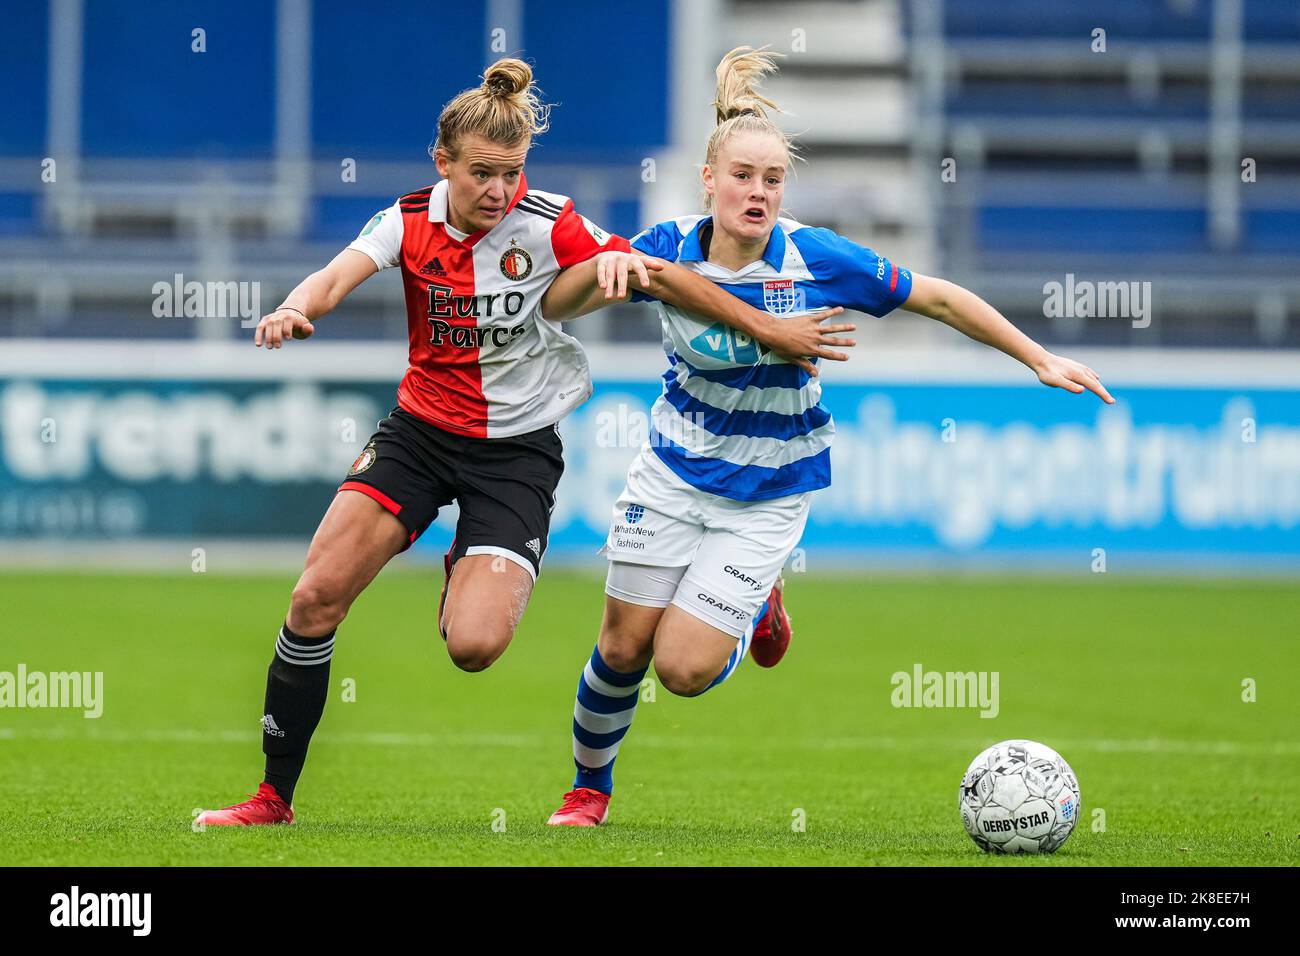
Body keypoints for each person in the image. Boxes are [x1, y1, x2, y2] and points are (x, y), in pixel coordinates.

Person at [196, 57, 853, 826]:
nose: (498, 191)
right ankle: (274, 797)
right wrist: (294, 308)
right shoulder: (406, 220)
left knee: (474, 647)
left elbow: (662, 276)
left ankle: (472, 565)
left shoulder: (550, 220)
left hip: (516, 455)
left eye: (511, 174)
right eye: (481, 173)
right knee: (314, 596)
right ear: (442, 164)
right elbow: (336, 275)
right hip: (418, 435)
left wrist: (763, 324)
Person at [540, 47, 1114, 827]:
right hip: (670, 474)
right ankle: (588, 790)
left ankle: (756, 608)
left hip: (768, 494)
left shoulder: (818, 258)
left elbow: (937, 299)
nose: (758, 192)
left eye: (772, 180)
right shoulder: (665, 247)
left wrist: (1037, 355)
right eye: (742, 175)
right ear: (709, 179)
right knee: (621, 649)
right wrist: (601, 273)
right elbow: (560, 303)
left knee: (678, 668)